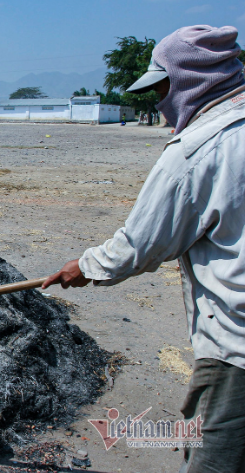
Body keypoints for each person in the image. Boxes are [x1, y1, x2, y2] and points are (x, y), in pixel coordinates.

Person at [43, 25, 245, 473]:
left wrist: (84, 267)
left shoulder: (196, 152)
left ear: (192, 79)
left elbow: (140, 244)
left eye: (161, 87)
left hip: (238, 349)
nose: (157, 100)